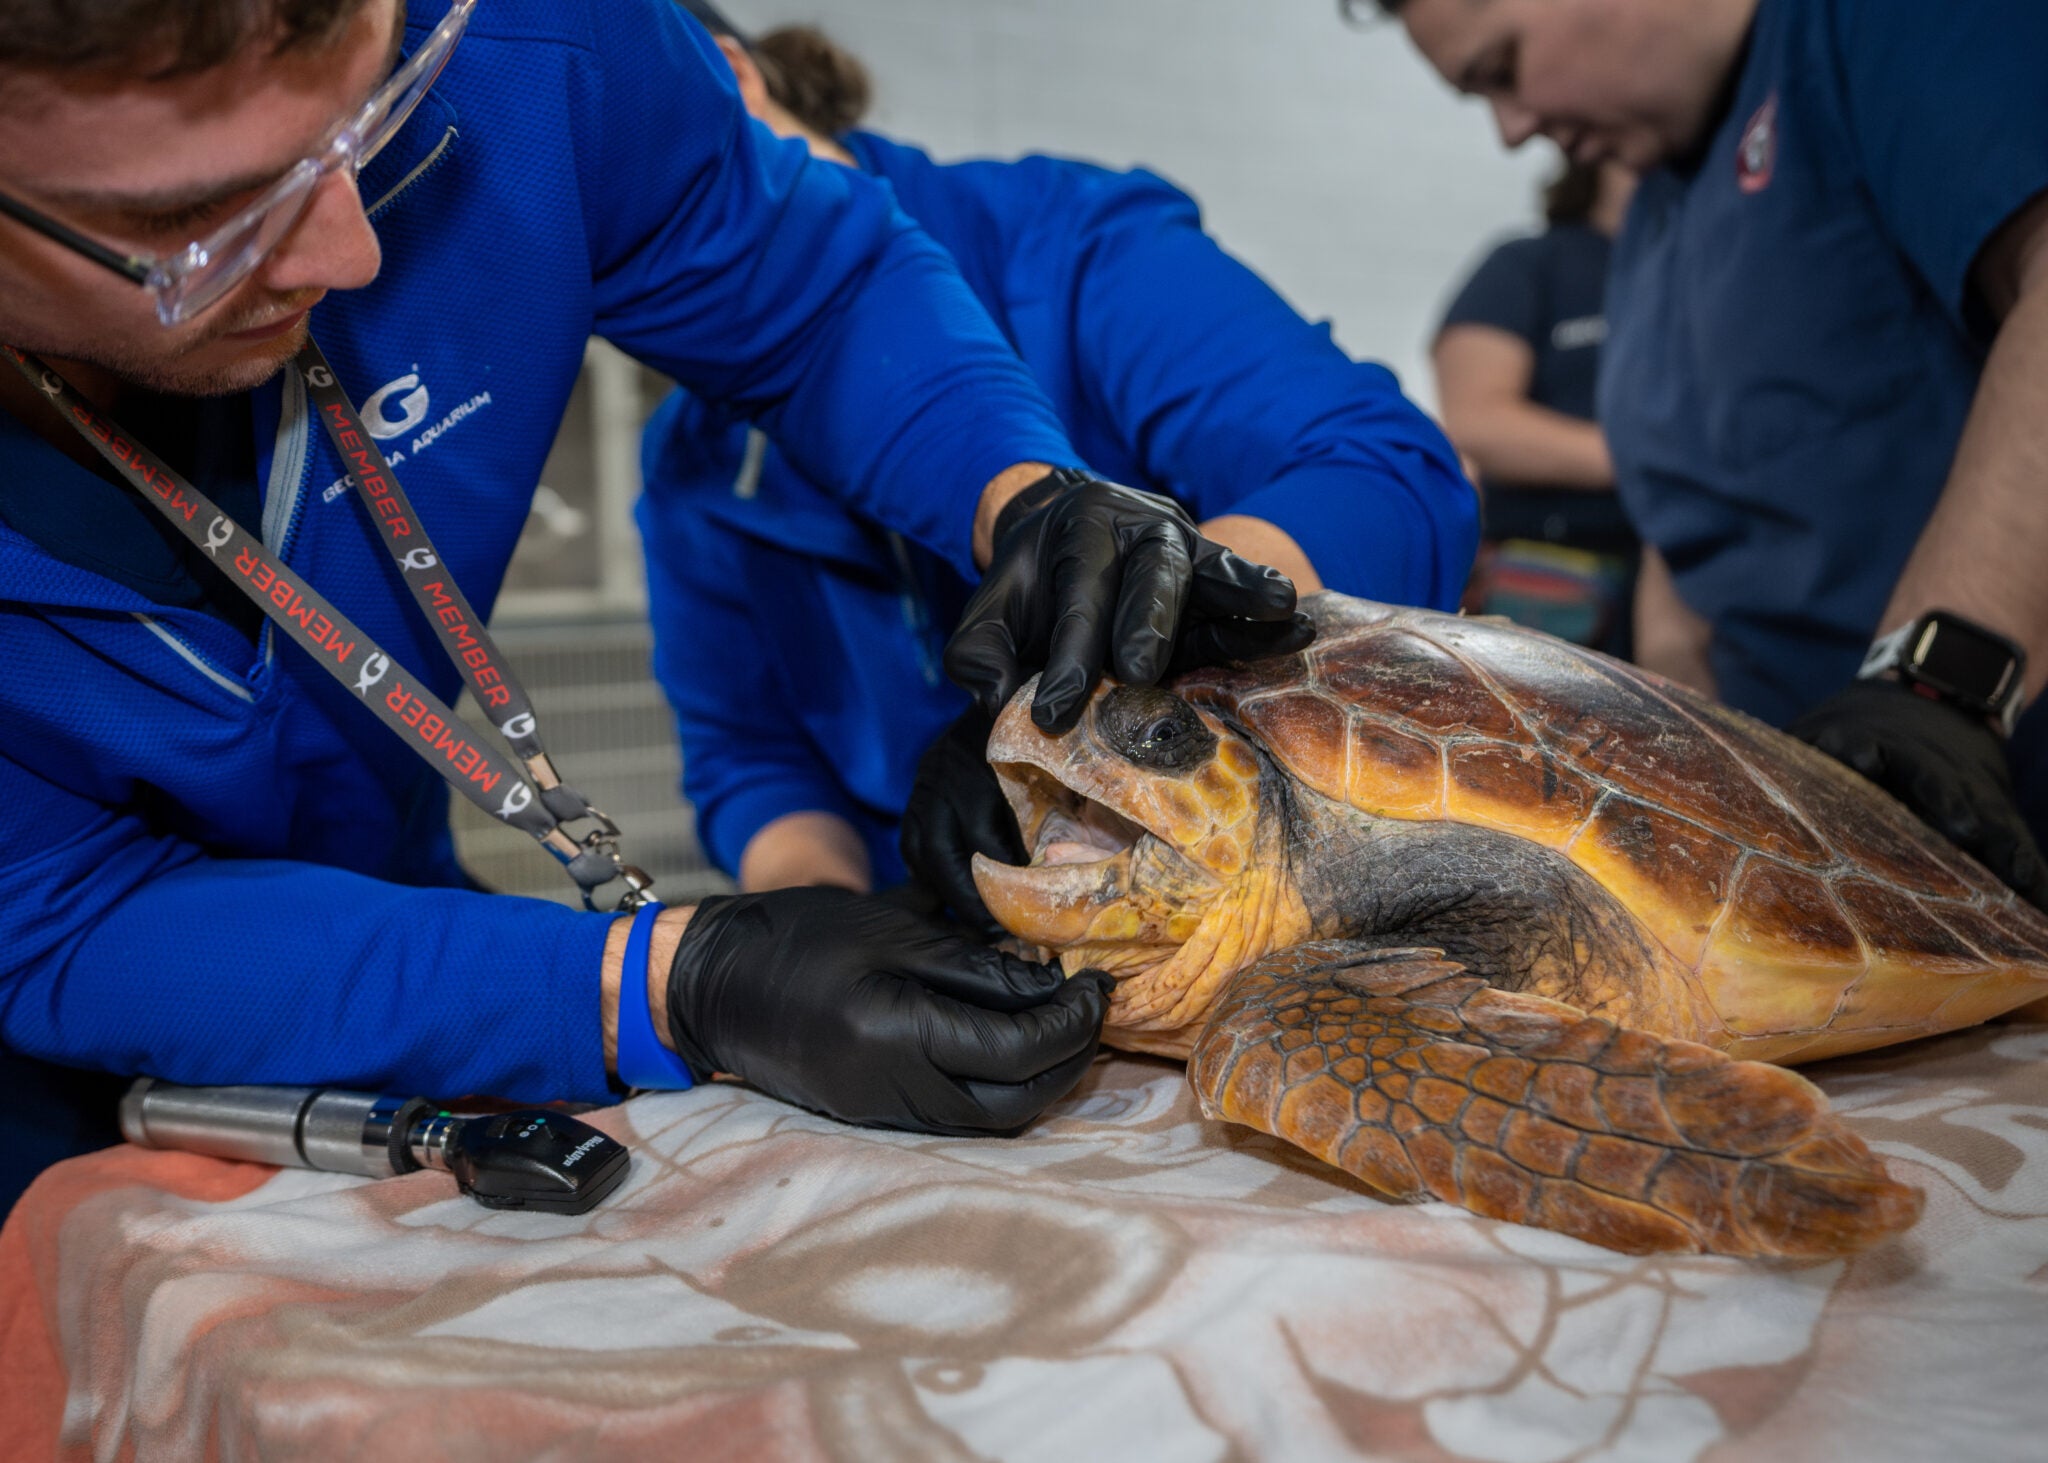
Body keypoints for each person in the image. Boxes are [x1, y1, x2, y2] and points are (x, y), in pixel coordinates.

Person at [0, 0, 1311, 1209]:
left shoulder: (520, 39)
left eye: (373, 118)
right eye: (204, 215)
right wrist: (663, 983)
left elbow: (809, 288)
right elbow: (63, 914)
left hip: (403, 930)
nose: (351, 251)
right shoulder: (686, 492)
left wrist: (1017, 492)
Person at [642, 10, 1477, 905]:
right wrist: (826, 929)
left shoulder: (1071, 248)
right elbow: (750, 755)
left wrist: (1104, 671)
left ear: (733, 80)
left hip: (1214, 877)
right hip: (925, 905)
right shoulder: (693, 459)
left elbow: (1386, 472)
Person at [1364, 0, 2048, 908]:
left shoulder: (1871, 30)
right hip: (1803, 837)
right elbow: (1682, 522)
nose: (1511, 129)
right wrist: (1690, 759)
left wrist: (1939, 691)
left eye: (1504, 69)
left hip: (1988, 789)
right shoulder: (1653, 212)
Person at [1434, 157, 1638, 658]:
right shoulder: (1527, 264)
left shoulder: (1716, 276)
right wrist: (1661, 464)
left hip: (1698, 568)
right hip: (1556, 575)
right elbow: (1476, 421)